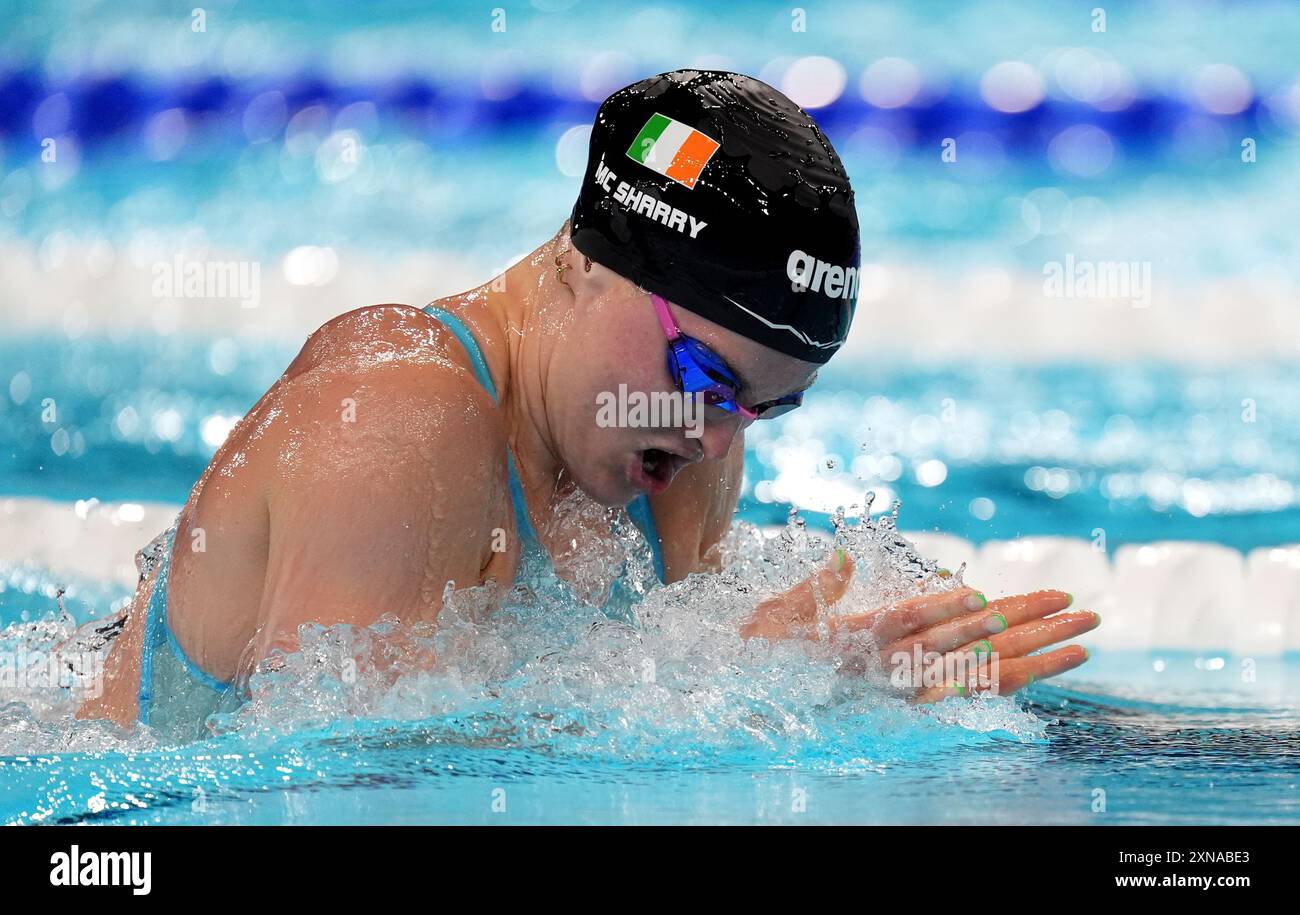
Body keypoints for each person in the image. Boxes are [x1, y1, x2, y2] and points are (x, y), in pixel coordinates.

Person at [77, 70, 1098, 740]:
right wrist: (730, 700)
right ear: (583, 264)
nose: (711, 435)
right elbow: (342, 791)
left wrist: (873, 696)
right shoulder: (391, 419)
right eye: (700, 372)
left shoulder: (683, 453)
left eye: (760, 409)